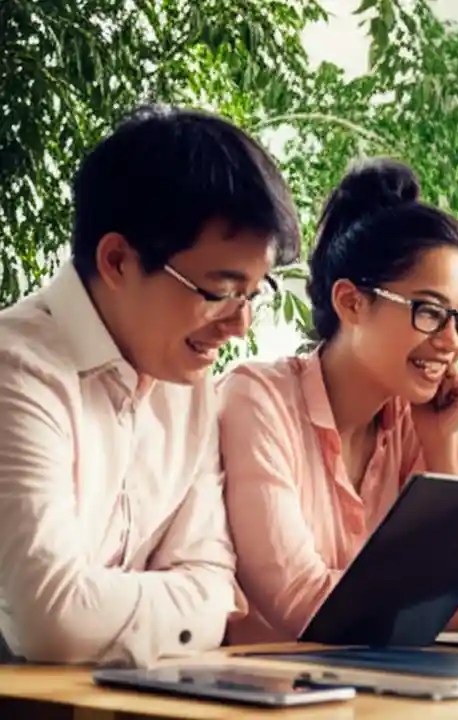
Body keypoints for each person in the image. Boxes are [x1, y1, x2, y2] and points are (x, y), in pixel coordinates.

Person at [219, 158, 458, 644]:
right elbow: (303, 600)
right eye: (429, 311)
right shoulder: (257, 400)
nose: (452, 340)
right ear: (351, 302)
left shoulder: (411, 420)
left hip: (374, 689)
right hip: (260, 700)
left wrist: (442, 446)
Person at [0, 105, 299, 664]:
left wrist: (110, 607)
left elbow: (215, 583)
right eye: (219, 291)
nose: (239, 325)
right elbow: (51, 620)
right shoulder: (17, 370)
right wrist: (187, 606)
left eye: (254, 294)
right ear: (116, 260)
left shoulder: (184, 382)